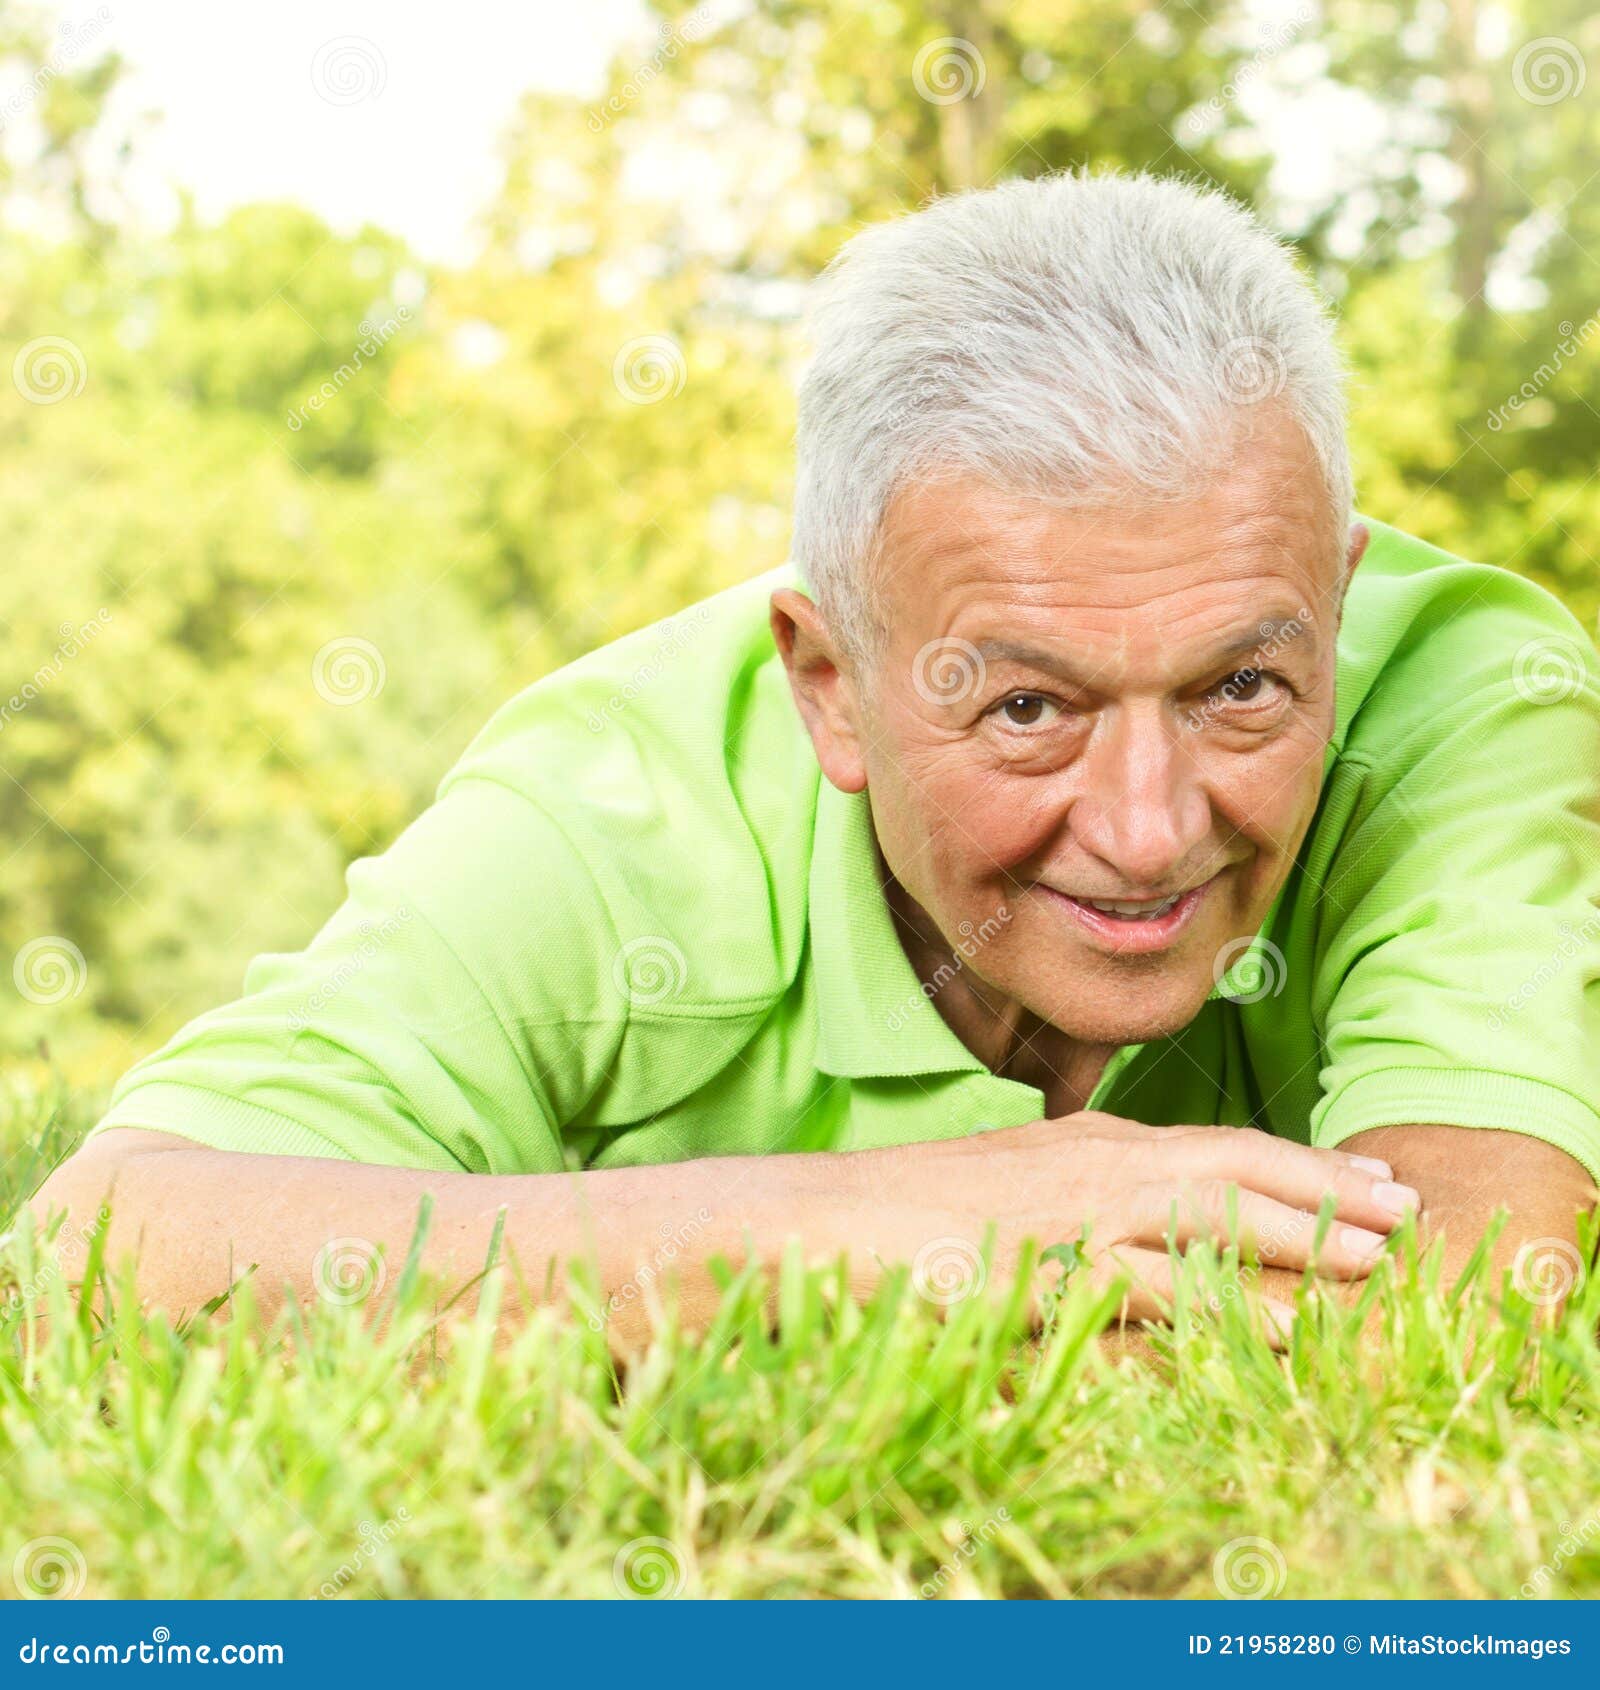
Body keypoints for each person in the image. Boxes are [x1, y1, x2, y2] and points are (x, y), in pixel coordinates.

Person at [33, 170, 1600, 1349]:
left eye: (1241, 685)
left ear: (1337, 597)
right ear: (828, 682)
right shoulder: (613, 806)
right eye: (1028, 709)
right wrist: (906, 1226)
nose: (1146, 829)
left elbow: (1477, 1290)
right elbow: (94, 1255)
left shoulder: (1464, 685)